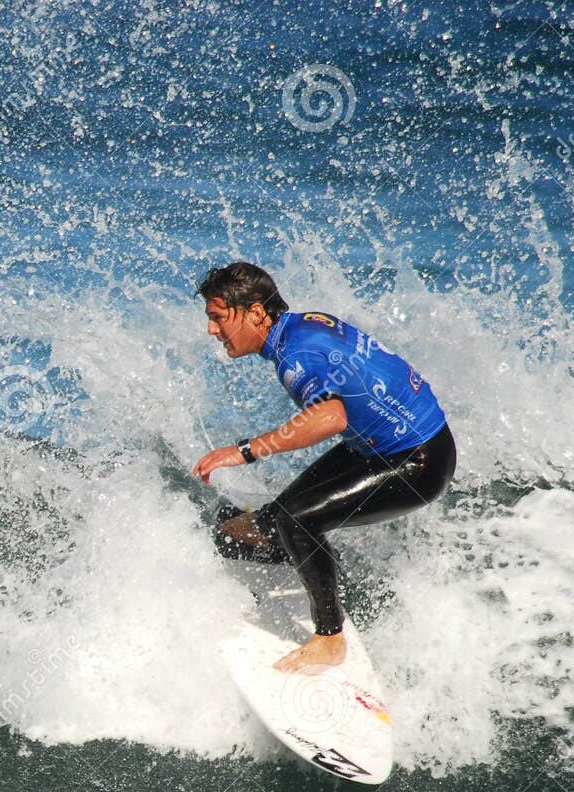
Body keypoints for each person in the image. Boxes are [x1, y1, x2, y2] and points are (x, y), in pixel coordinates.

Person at [189, 261, 456, 673]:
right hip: (380, 444)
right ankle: (283, 549)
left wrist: (244, 451)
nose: (212, 330)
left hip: (417, 462)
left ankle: (329, 638)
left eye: (219, 318)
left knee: (296, 521)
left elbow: (331, 418)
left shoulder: (296, 355)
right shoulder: (302, 326)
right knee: (264, 526)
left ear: (256, 313)